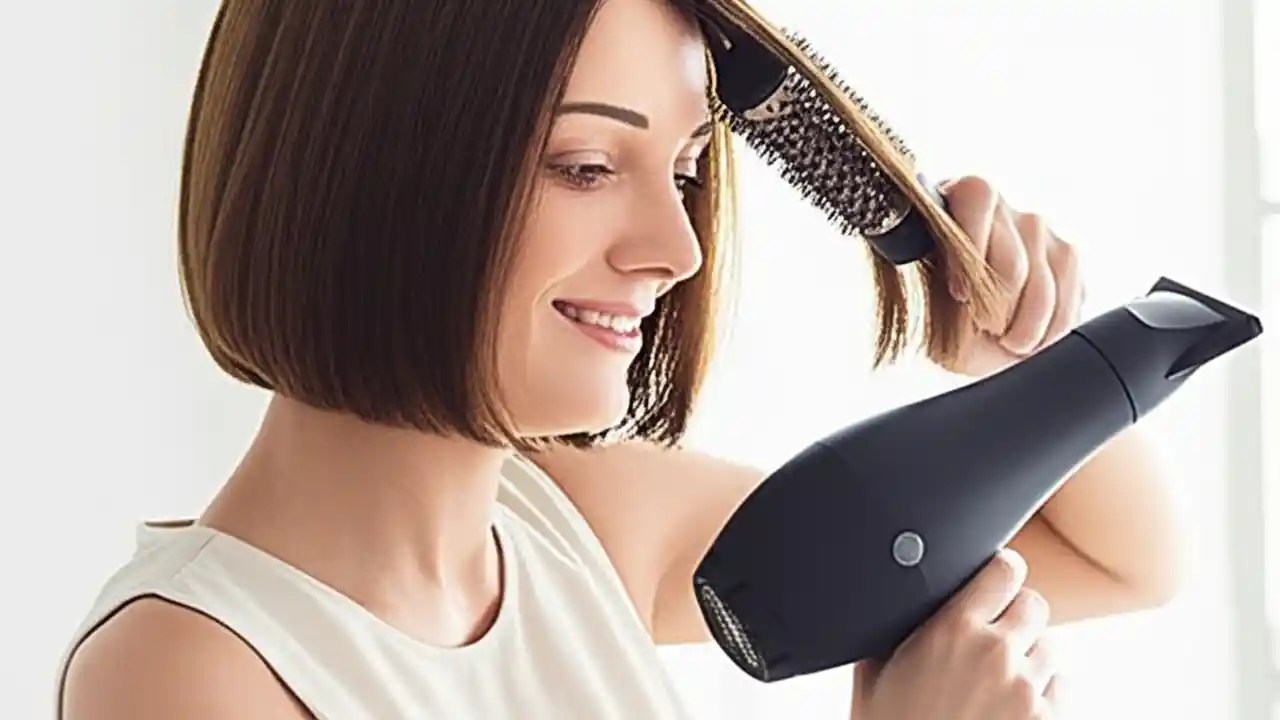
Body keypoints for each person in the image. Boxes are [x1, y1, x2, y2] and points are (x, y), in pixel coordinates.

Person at [57, 0, 1186, 717]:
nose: (678, 249)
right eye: (588, 165)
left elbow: (1114, 560)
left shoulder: (580, 531)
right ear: (371, 175)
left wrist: (1010, 357)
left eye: (686, 171)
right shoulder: (188, 675)